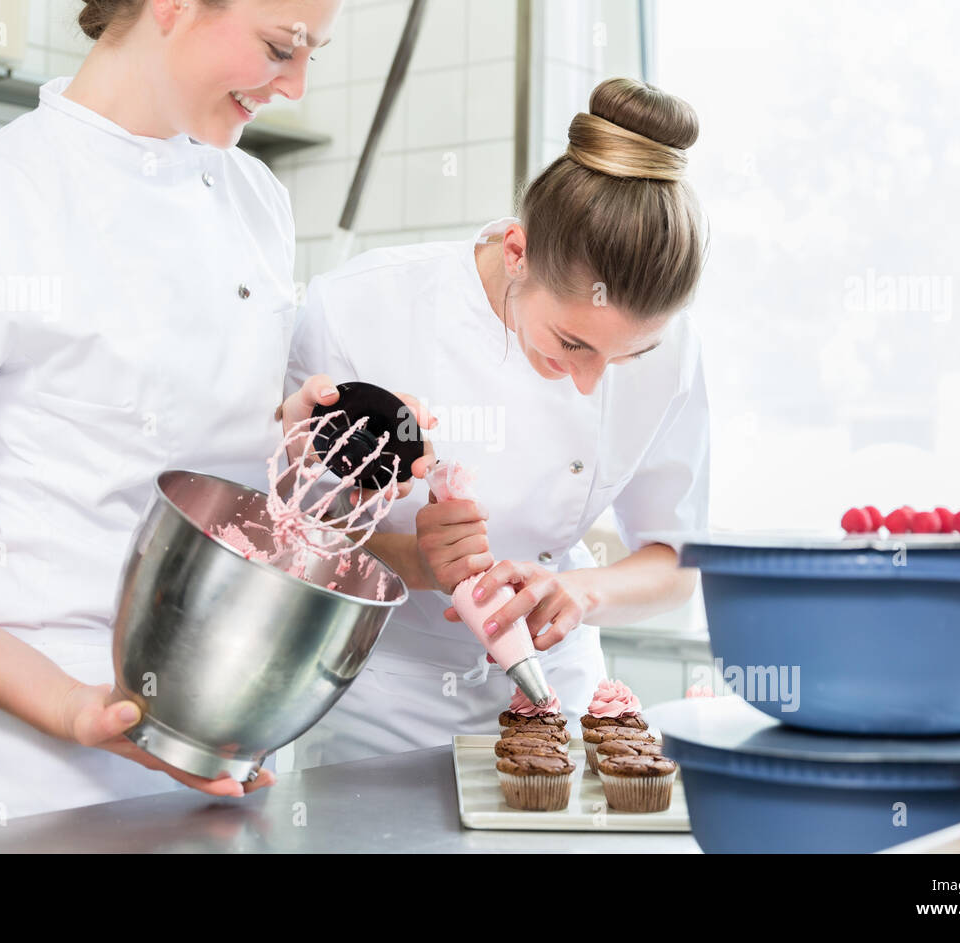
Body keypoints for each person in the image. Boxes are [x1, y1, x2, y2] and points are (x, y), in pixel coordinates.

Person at [0, 0, 347, 831]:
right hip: (36, 774)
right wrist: (66, 705)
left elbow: (200, 460)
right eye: (282, 47)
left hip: (227, 755)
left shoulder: (256, 200)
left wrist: (302, 437)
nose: (299, 86)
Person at [286, 78, 711, 766]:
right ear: (516, 251)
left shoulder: (677, 352)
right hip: (380, 707)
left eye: (629, 355)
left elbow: (675, 561)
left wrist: (578, 590)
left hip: (560, 696)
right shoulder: (360, 309)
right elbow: (290, 543)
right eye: (572, 343)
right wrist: (415, 561)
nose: (590, 379)